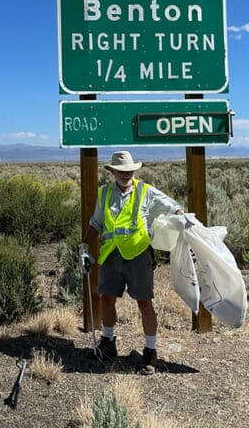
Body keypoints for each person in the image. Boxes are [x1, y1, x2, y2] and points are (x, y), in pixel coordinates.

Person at [82, 150, 183, 375]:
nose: (125, 174)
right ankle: (108, 343)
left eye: (129, 171)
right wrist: (84, 246)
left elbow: (170, 205)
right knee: (106, 298)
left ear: (134, 171)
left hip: (138, 255)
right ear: (113, 171)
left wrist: (181, 214)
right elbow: (96, 223)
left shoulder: (145, 191)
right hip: (111, 255)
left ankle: (150, 351)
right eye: (121, 170)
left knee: (144, 302)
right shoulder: (105, 193)